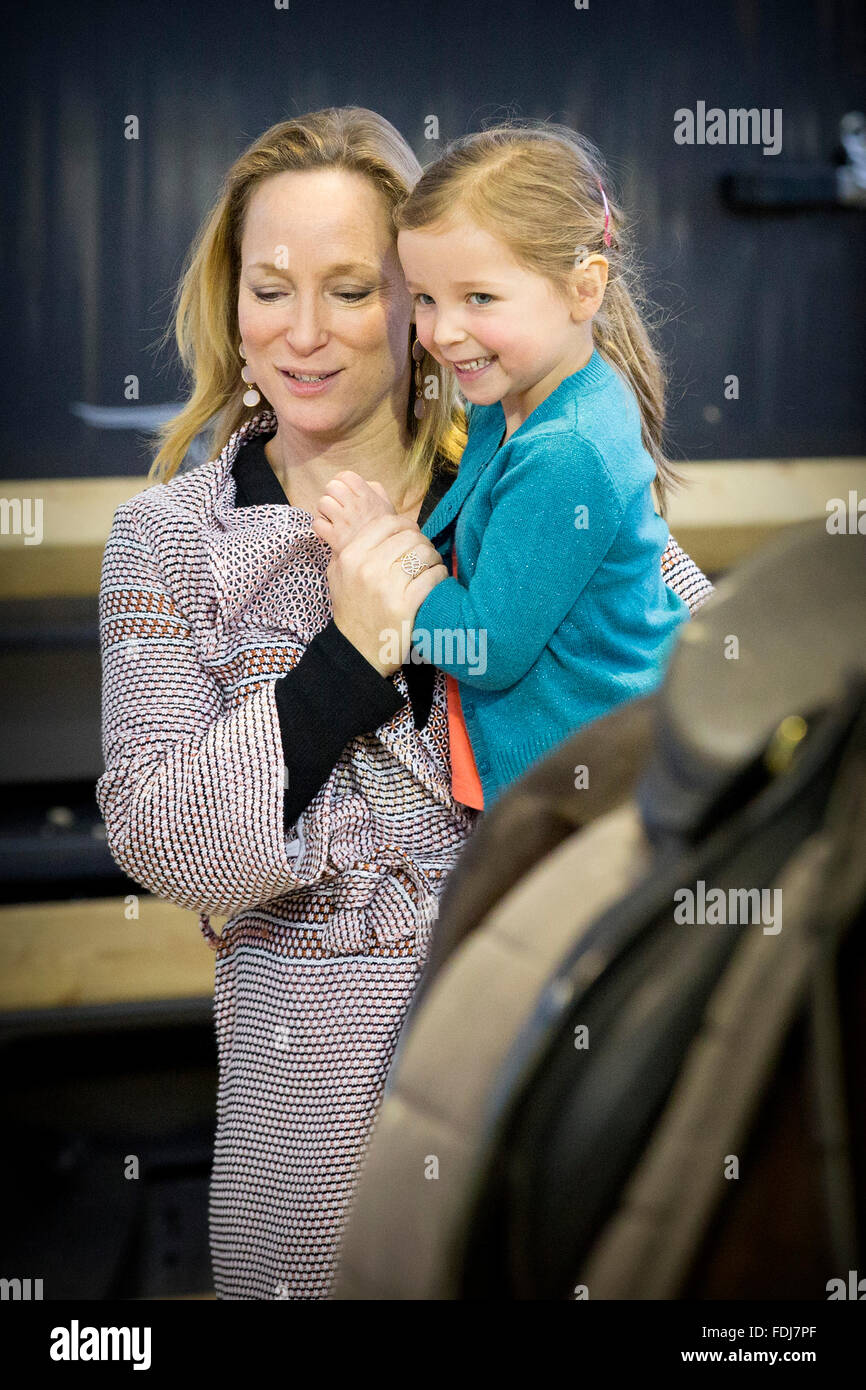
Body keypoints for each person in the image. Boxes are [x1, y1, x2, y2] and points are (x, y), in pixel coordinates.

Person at [96, 107, 714, 1300]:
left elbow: (698, 656)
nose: (305, 334)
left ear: (422, 305)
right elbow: (160, 832)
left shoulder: (527, 476)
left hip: (545, 1024)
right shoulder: (167, 542)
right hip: (315, 1091)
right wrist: (348, 654)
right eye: (270, 289)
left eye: (352, 288)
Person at [313, 120, 696, 813]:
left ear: (584, 290)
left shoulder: (566, 452)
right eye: (426, 299)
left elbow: (487, 647)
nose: (443, 332)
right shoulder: (511, 393)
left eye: (479, 298)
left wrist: (384, 552)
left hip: (588, 786)